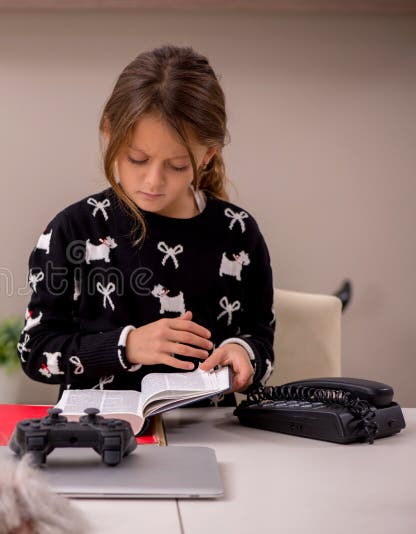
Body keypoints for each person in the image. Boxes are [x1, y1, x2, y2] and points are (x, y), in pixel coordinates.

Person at [17, 45, 275, 407]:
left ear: (208, 156)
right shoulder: (73, 231)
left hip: (211, 434)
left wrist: (242, 352)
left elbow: (260, 337)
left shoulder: (238, 233)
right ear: (109, 134)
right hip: (99, 431)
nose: (153, 181)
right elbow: (36, 352)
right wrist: (128, 346)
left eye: (177, 165)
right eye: (137, 159)